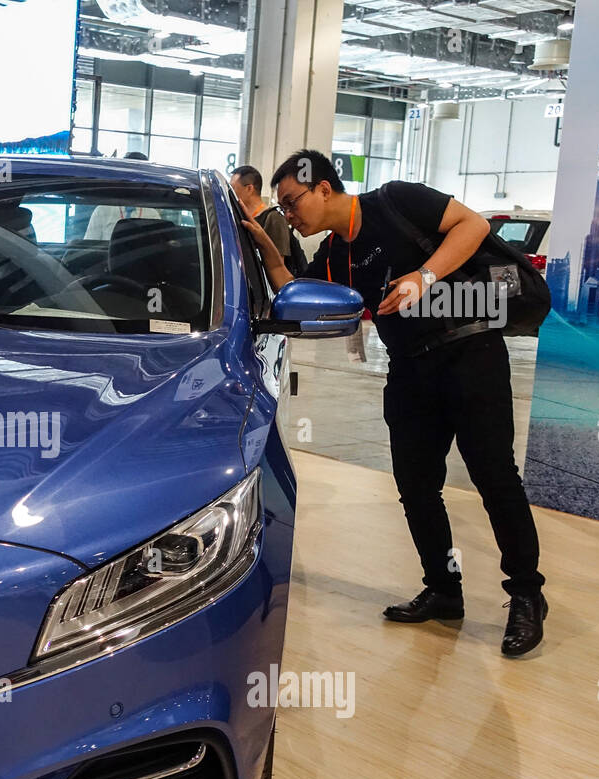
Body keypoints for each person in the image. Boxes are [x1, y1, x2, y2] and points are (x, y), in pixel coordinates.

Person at [241, 148, 547, 657]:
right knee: (415, 484)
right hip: (408, 368)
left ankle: (526, 595)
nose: (290, 216)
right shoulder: (336, 255)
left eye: (292, 203)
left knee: (495, 477)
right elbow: (294, 293)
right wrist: (267, 250)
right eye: (283, 210)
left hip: (470, 350)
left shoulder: (396, 200)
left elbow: (471, 225)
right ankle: (444, 588)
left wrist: (423, 277)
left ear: (322, 187)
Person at [230, 164, 306, 276]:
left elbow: (278, 268)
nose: (231, 193)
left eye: (233, 188)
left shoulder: (274, 219)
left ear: (249, 188)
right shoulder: (244, 219)